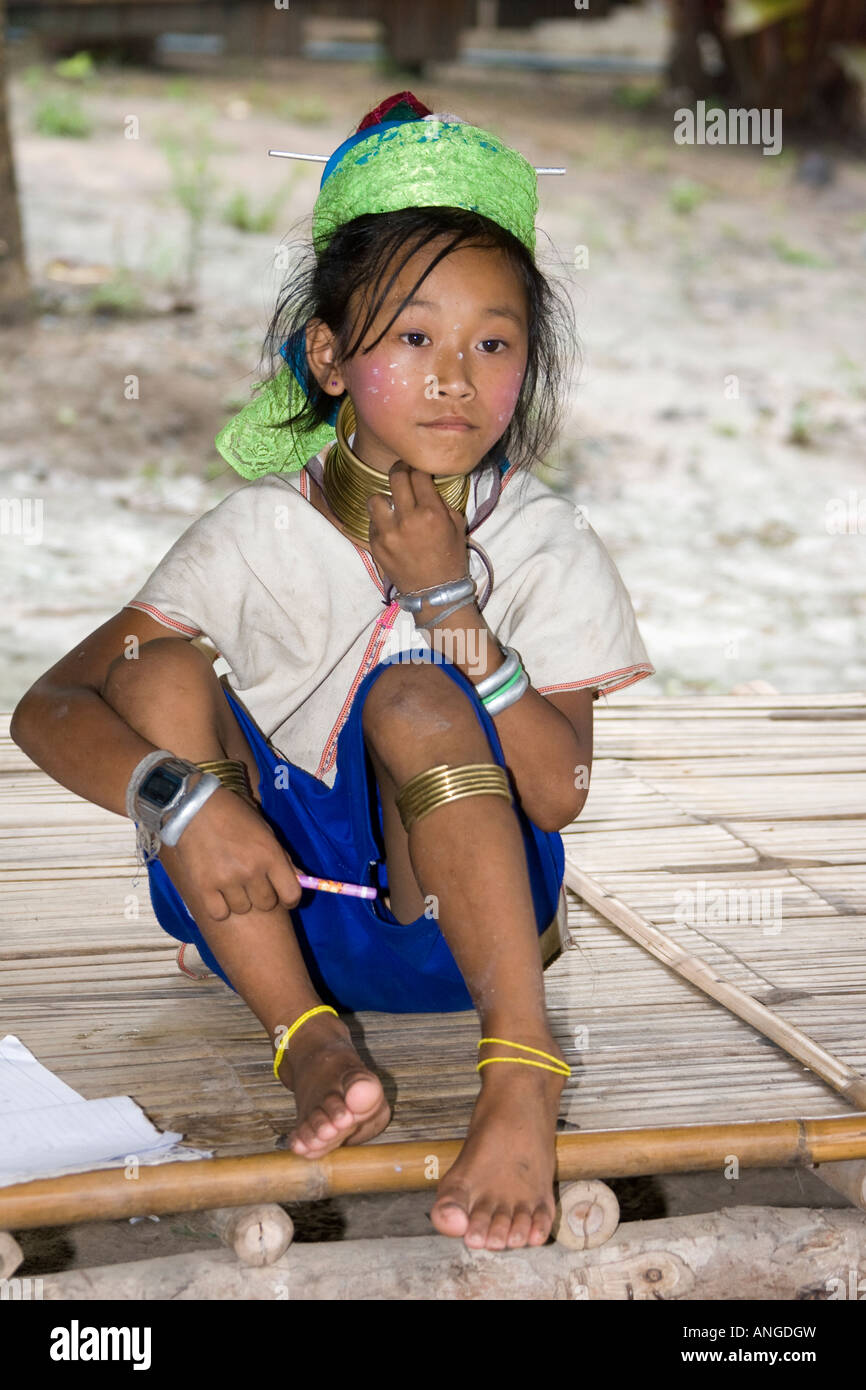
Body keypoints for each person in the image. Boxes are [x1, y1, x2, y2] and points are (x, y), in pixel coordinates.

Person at [10, 91, 654, 1252]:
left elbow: (555, 795)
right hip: (265, 917)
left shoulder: (542, 539)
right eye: (412, 338)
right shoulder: (260, 531)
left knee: (414, 693)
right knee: (157, 676)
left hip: (461, 925)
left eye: (492, 343)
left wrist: (454, 606)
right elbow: (45, 706)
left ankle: (520, 1064)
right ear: (329, 353)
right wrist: (184, 798)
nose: (454, 377)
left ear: (529, 363)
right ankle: (306, 1036)